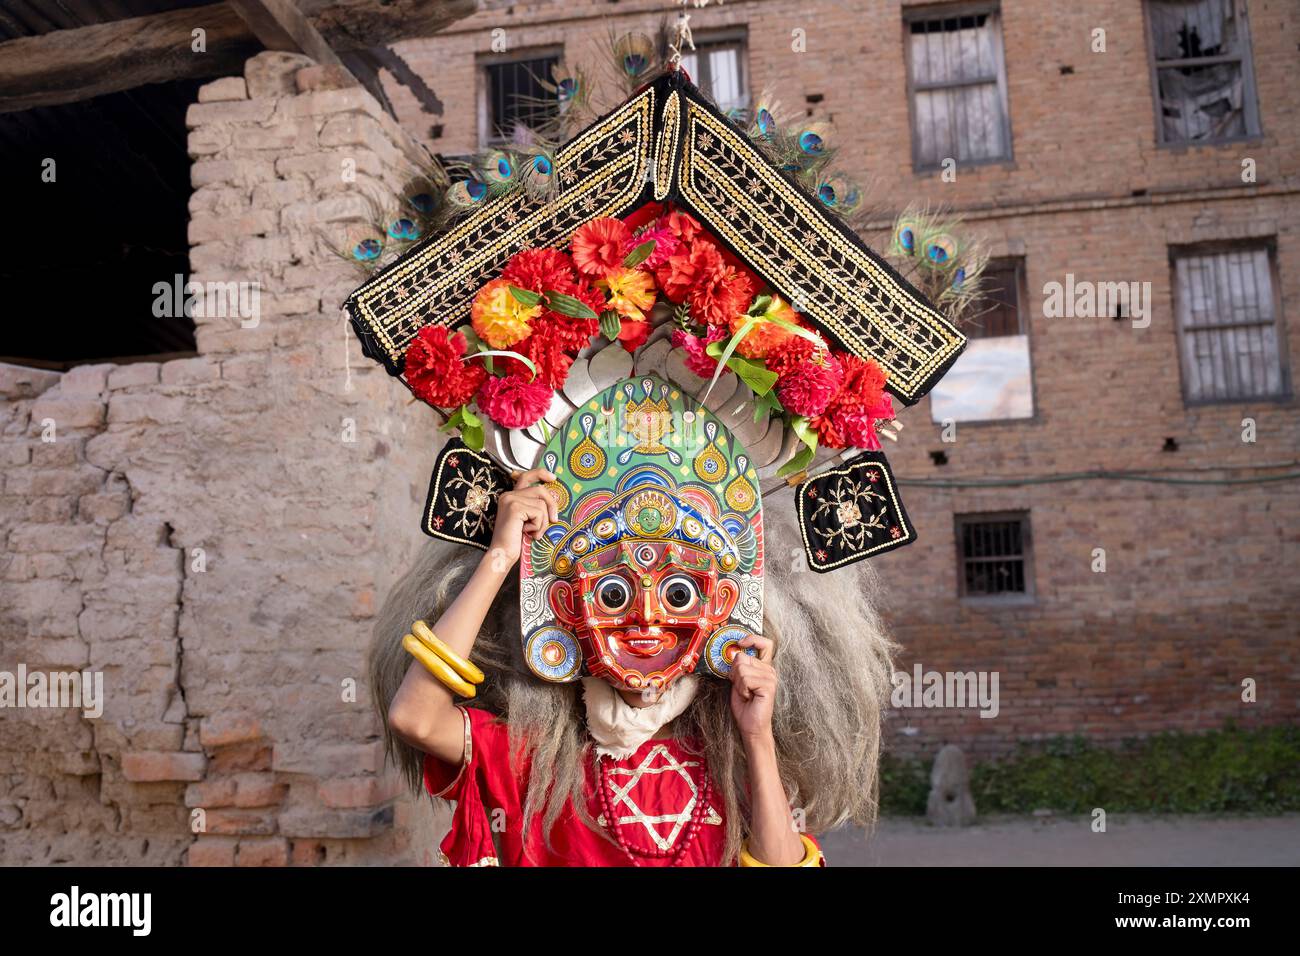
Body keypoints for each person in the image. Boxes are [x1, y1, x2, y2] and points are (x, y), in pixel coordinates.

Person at [369, 396, 897, 866]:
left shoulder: (728, 756)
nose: (646, 620)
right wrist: (503, 555)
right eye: (614, 594)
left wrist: (756, 737)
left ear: (725, 606)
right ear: (562, 607)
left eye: (678, 593)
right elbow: (414, 717)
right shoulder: (527, 757)